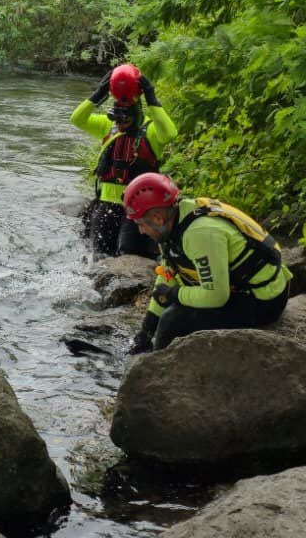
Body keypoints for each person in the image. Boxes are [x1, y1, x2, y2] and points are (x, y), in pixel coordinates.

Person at [123, 173, 292, 354]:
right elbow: (168, 275)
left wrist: (174, 294)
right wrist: (146, 330)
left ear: (158, 218)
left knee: (172, 319)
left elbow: (216, 296)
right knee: (169, 310)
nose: (140, 231)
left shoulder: (200, 234)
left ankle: (155, 369)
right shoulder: (174, 221)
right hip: (242, 288)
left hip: (266, 300)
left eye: (141, 224)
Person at [70, 63, 178, 258]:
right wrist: (99, 94)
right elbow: (76, 119)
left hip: (137, 210)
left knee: (128, 255)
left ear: (136, 112)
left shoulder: (152, 132)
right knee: (99, 255)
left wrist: (151, 97)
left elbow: (170, 133)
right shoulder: (107, 127)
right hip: (106, 204)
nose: (119, 123)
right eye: (116, 116)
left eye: (124, 118)